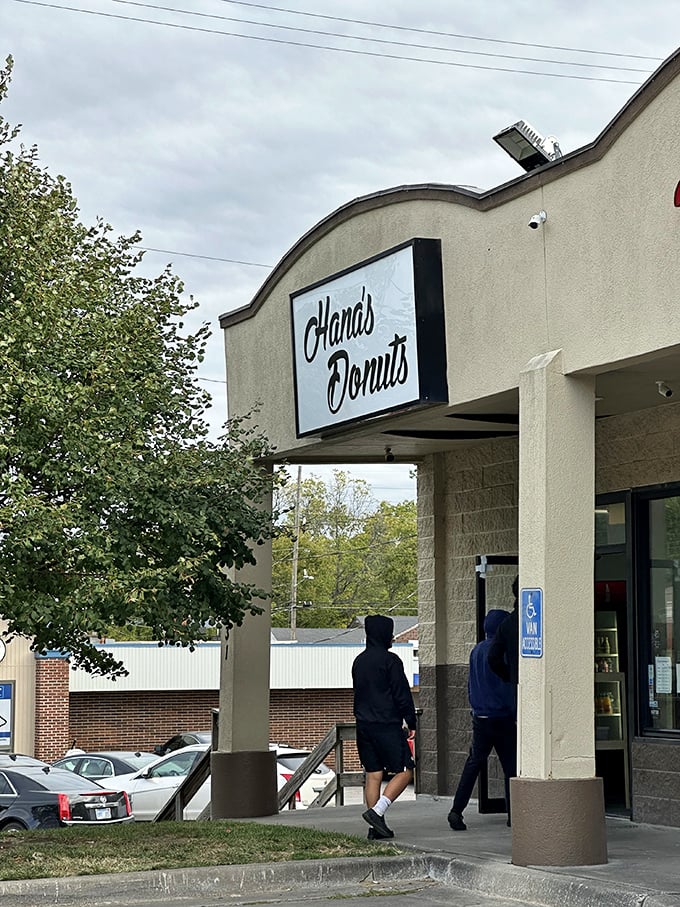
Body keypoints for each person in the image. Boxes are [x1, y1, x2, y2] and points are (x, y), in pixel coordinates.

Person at [447, 607, 517, 831]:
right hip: (503, 717)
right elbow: (508, 686)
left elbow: (470, 685)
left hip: (480, 717)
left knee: (474, 764)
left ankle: (456, 810)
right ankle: (514, 815)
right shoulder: (502, 651)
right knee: (511, 767)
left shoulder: (476, 651)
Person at [352, 614, 417, 839]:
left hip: (363, 725)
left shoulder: (359, 661)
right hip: (387, 725)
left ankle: (375, 829)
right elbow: (402, 694)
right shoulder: (391, 661)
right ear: (383, 634)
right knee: (405, 770)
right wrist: (411, 720)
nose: (391, 636)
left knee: (373, 774)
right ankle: (377, 813)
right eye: (390, 632)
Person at [487, 575, 519, 685]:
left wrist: (512, 676)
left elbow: (493, 658)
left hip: (515, 686)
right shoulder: (541, 620)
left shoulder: (508, 623)